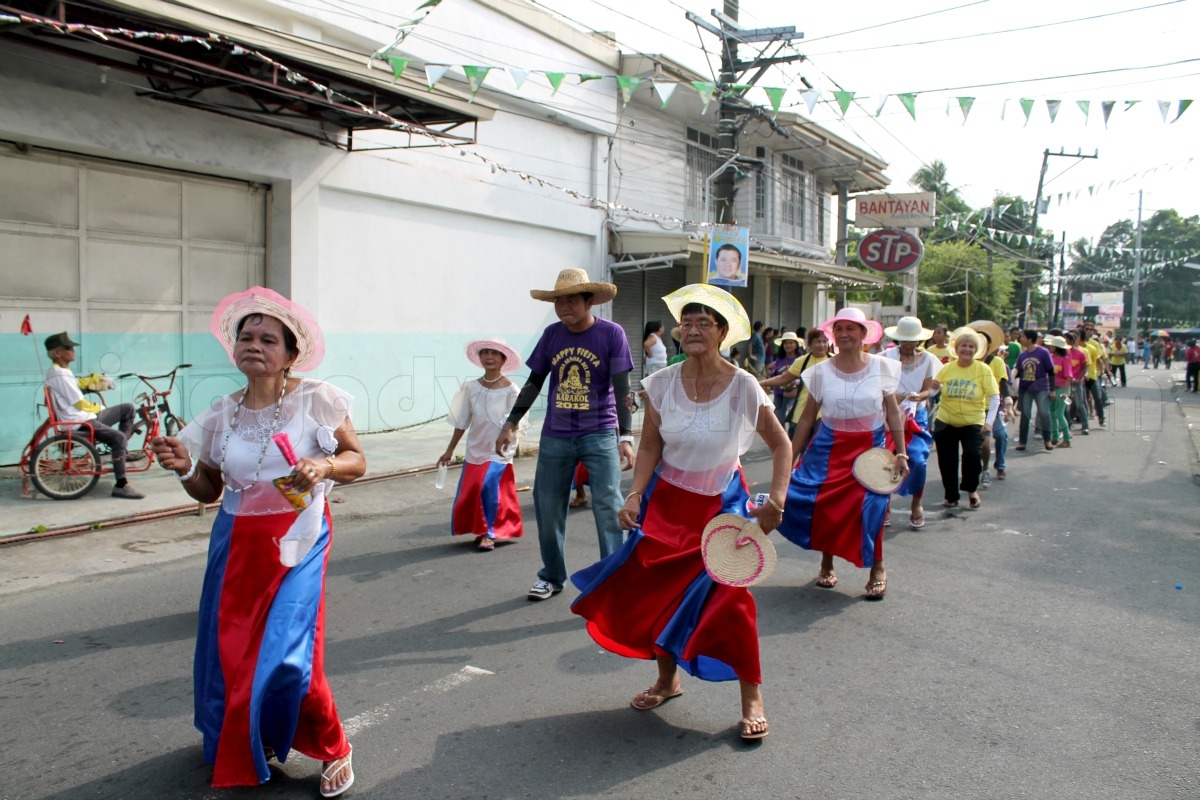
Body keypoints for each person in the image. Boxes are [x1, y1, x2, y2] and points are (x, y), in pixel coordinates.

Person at [150, 287, 364, 795]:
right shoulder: (221, 413)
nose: (254, 345)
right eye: (246, 337)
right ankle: (258, 734)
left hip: (299, 537)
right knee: (233, 653)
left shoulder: (318, 399)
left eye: (269, 339)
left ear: (291, 354)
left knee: (291, 655)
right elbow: (209, 487)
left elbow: (357, 461)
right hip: (236, 542)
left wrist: (325, 464)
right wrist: (184, 470)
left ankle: (335, 746)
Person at [570, 283, 792, 742]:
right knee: (655, 592)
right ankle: (667, 679)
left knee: (731, 601)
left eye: (703, 323)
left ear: (722, 332)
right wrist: (634, 495)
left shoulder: (743, 386)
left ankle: (751, 695)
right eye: (686, 323)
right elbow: (650, 445)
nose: (692, 330)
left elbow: (782, 445)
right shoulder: (662, 383)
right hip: (667, 505)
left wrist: (776, 502)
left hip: (719, 507)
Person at [495, 268, 636, 601]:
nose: (564, 306)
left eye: (572, 299)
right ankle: (552, 576)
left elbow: (622, 389)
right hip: (556, 435)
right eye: (559, 301)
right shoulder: (551, 335)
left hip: (599, 432)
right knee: (547, 506)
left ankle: (612, 578)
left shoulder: (611, 334)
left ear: (589, 301)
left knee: (608, 505)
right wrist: (510, 422)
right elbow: (534, 382)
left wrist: (626, 436)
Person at [776, 308, 908, 600]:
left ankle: (877, 567)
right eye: (839, 329)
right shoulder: (820, 372)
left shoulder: (882, 367)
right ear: (832, 335)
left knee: (872, 508)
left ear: (863, 334)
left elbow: (893, 414)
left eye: (852, 328)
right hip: (828, 448)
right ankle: (826, 562)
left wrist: (901, 452)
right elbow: (808, 419)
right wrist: (790, 459)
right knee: (822, 506)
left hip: (871, 450)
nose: (845, 334)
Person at [439, 339, 526, 551]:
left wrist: (508, 434)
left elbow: (517, 422)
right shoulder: (470, 388)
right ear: (479, 358)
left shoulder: (512, 390)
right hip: (475, 447)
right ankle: (480, 530)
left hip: (500, 450)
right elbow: (461, 422)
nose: (489, 357)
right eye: (485, 353)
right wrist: (450, 449)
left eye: (495, 354)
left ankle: (489, 533)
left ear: (503, 360)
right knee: (472, 490)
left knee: (488, 486)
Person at [42, 331, 145, 499]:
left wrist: (95, 380)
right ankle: (121, 485)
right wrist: (99, 407)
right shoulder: (59, 374)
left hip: (82, 416)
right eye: (68, 348)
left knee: (128, 408)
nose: (73, 351)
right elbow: (79, 403)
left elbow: (77, 386)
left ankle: (122, 452)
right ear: (57, 353)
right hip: (79, 421)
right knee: (118, 437)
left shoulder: (61, 371)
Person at [882, 317, 940, 529]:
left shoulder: (928, 359)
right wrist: (892, 396)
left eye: (912, 340)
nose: (908, 344)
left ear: (919, 341)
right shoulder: (885, 357)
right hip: (889, 414)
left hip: (917, 415)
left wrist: (920, 396)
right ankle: (884, 504)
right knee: (886, 459)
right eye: (904, 340)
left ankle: (917, 502)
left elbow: (929, 388)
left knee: (918, 459)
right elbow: (876, 385)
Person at [933, 327, 999, 510]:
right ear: (956, 347)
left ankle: (971, 490)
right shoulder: (947, 368)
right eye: (964, 345)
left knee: (971, 455)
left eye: (971, 346)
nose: (967, 349)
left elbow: (994, 396)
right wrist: (924, 393)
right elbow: (933, 389)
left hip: (973, 421)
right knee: (947, 460)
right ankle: (951, 496)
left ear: (975, 350)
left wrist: (989, 422)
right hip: (945, 420)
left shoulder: (983, 369)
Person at [758, 328, 830, 442]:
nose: (822, 345)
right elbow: (782, 379)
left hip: (825, 416)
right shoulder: (802, 361)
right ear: (809, 344)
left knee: (818, 452)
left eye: (825, 341)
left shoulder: (836, 360)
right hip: (801, 416)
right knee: (800, 452)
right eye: (817, 341)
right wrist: (758, 383)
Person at [973, 325, 1013, 486]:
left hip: (993, 407)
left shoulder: (997, 362)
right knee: (983, 443)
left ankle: (1000, 465)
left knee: (1001, 435)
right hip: (974, 408)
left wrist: (1009, 404)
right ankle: (984, 469)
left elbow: (1003, 384)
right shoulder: (969, 361)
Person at [1015, 329, 1056, 452]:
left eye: (1022, 337)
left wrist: (1052, 390)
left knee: (1044, 413)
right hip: (1025, 389)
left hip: (1041, 388)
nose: (1020, 339)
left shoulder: (1043, 352)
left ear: (1030, 339)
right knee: (1025, 415)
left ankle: (1047, 439)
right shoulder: (1022, 355)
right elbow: (1017, 372)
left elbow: (1051, 371)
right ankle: (1022, 442)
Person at [767, 331, 803, 428]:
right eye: (786, 343)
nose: (788, 345)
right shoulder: (779, 360)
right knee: (778, 420)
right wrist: (771, 372)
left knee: (794, 420)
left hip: (796, 395)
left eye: (791, 343)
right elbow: (773, 377)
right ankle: (782, 441)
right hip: (780, 395)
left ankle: (793, 440)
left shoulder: (801, 360)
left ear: (796, 345)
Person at [1044, 335, 1074, 448]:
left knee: (1059, 414)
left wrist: (1066, 392)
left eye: (1052, 345)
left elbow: (1068, 376)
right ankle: (1055, 437)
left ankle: (1067, 439)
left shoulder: (1065, 359)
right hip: (1052, 388)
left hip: (1062, 388)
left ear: (1056, 347)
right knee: (1052, 413)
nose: (1050, 347)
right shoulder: (1051, 357)